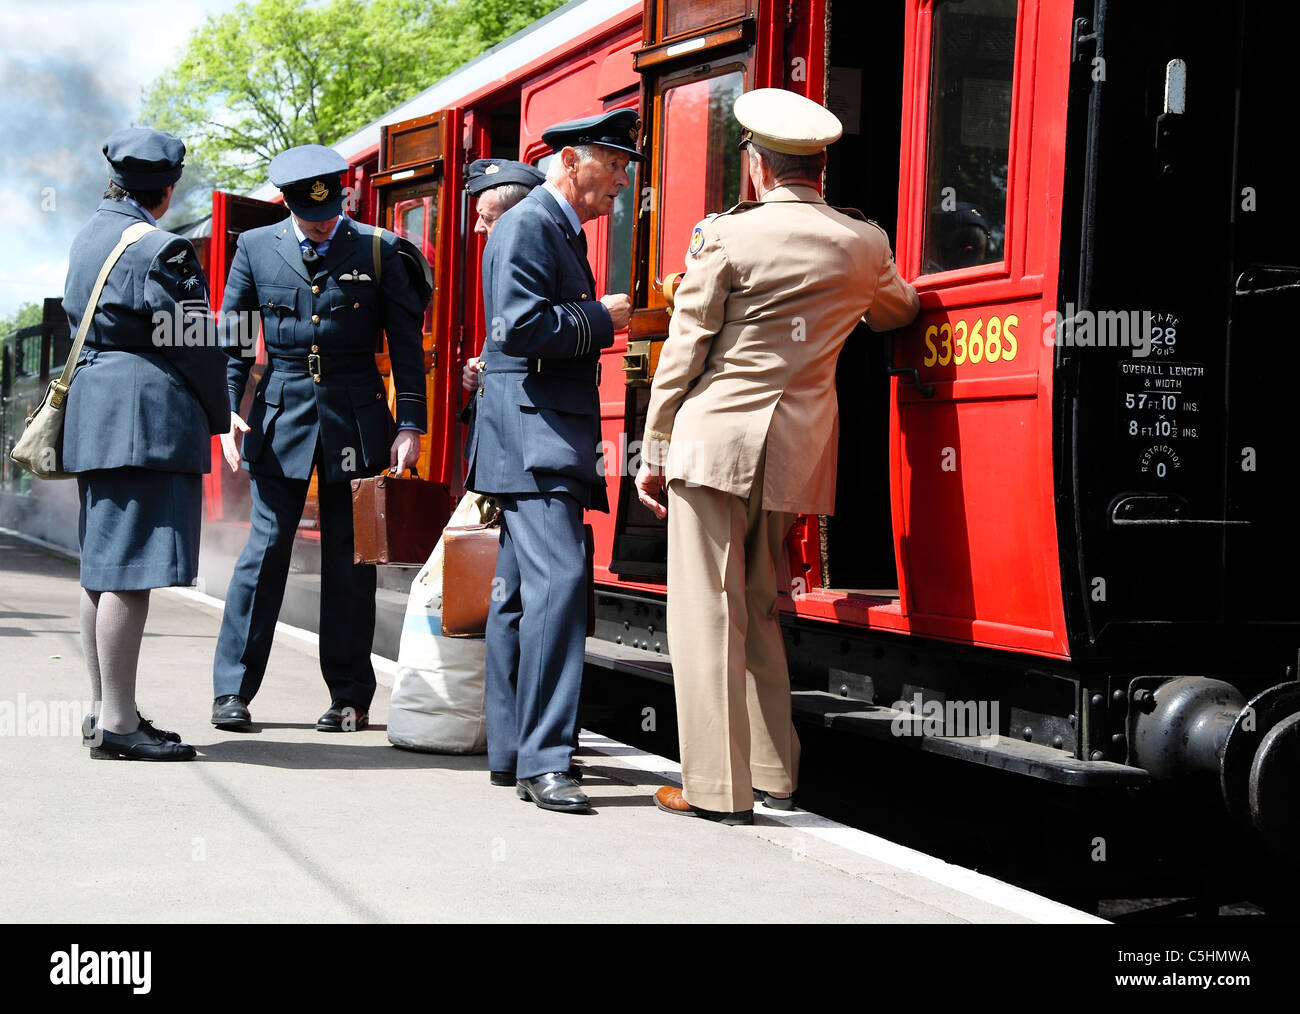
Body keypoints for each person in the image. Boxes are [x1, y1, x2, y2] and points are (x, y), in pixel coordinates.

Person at [634, 88, 920, 823]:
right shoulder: (863, 243)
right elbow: (900, 310)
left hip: (714, 444)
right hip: (794, 454)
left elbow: (683, 355)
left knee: (705, 615)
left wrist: (653, 446)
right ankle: (774, 775)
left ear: (757, 167)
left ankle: (716, 792)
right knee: (761, 608)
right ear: (820, 169)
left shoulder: (727, 238)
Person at [211, 144, 426, 733]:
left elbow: (407, 347)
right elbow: (233, 340)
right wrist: (228, 409)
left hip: (356, 417)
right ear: (288, 205)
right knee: (265, 552)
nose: (322, 226)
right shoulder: (254, 247)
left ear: (342, 197)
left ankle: (350, 696)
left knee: (350, 562)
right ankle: (232, 690)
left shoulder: (381, 249)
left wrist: (411, 423)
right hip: (280, 418)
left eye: (330, 216)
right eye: (311, 219)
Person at [465, 110, 640, 812]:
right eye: (614, 166)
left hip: (531, 432)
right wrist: (607, 317)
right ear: (571, 161)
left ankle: (512, 751)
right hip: (533, 438)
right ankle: (547, 763)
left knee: (515, 597)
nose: (622, 184)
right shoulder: (533, 225)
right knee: (560, 588)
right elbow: (523, 326)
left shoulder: (546, 225)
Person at [64, 127, 226, 760]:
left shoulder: (87, 238)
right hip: (143, 422)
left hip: (96, 415)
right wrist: (221, 412)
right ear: (168, 188)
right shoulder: (163, 250)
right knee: (129, 576)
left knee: (100, 572)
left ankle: (105, 709)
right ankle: (121, 727)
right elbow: (195, 342)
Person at [458, 158, 547, 446]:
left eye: (487, 217)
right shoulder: (501, 258)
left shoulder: (537, 258)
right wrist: (482, 366)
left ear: (517, 217)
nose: (477, 228)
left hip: (525, 427)